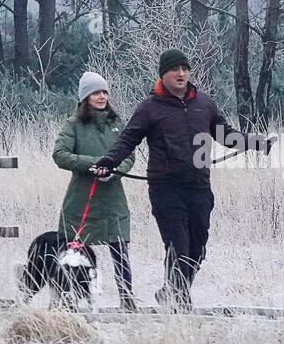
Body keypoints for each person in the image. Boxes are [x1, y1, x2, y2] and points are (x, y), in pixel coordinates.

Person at [89, 49, 272, 311]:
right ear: (163, 74)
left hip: (199, 187)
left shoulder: (204, 104)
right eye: (175, 69)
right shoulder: (150, 108)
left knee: (198, 250)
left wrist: (256, 142)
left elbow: (226, 135)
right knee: (179, 248)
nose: (181, 74)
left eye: (185, 69)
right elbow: (127, 140)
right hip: (166, 189)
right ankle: (182, 306)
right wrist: (108, 162)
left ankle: (171, 290)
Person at [52, 72, 137, 311]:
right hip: (81, 200)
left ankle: (127, 300)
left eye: (104, 92)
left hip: (113, 200)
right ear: (85, 97)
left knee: (120, 250)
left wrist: (114, 170)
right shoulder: (73, 125)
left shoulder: (117, 123)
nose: (101, 96)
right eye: (96, 92)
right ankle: (67, 298)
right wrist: (94, 164)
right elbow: (60, 155)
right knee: (73, 253)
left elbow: (129, 155)